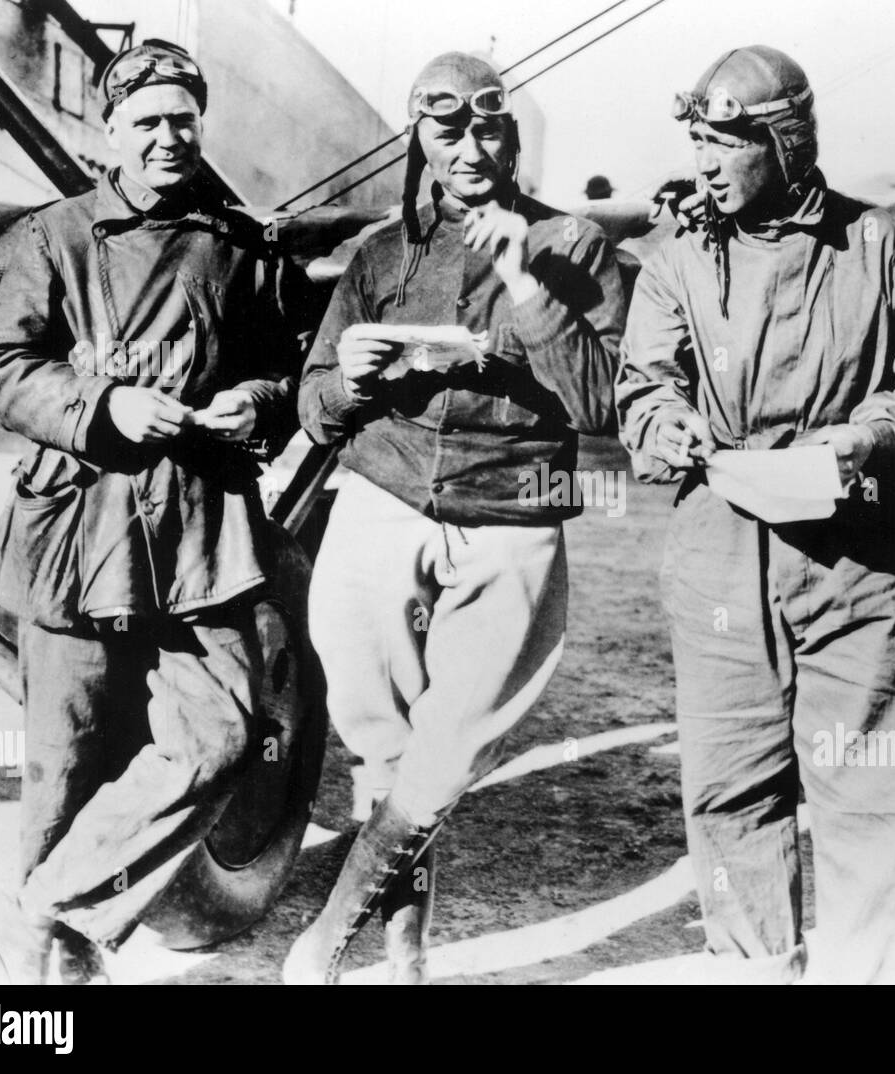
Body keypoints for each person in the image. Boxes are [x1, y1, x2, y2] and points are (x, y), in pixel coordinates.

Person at [286, 51, 625, 985]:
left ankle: (326, 941)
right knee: (377, 740)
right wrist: (348, 376)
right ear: (419, 139)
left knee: (445, 753)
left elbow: (601, 402)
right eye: (447, 131)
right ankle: (404, 954)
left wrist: (527, 282)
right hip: (381, 500)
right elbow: (316, 406)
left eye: (489, 128)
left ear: (511, 134)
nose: (470, 148)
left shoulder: (575, 245)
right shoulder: (382, 252)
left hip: (510, 513)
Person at [0, 40, 299, 984]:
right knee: (65, 759)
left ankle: (49, 904)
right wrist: (99, 408)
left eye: (182, 121)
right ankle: (52, 971)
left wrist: (260, 402)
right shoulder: (52, 237)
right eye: (146, 122)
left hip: (197, 524)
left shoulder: (240, 245)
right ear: (110, 132)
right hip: (79, 524)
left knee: (224, 731)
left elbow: (280, 367)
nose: (166, 139)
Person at [616, 46, 895, 984]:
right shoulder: (675, 258)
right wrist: (666, 423)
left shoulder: (881, 246)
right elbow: (641, 389)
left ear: (785, 143)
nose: (707, 163)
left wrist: (864, 439)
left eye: (727, 143)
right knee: (730, 790)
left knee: (866, 791)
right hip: (719, 550)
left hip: (857, 560)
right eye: (698, 143)